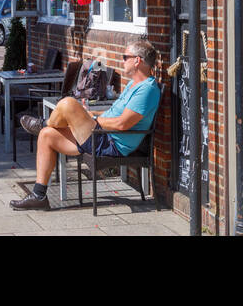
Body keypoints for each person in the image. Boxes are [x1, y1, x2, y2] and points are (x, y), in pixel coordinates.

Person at [10, 38, 161, 211]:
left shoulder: (147, 89)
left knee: (68, 103)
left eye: (125, 57)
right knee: (47, 136)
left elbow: (122, 124)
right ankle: (39, 196)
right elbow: (115, 114)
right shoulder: (134, 84)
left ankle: (44, 123)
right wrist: (92, 115)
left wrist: (93, 121)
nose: (122, 60)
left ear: (137, 60)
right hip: (102, 135)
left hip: (111, 143)